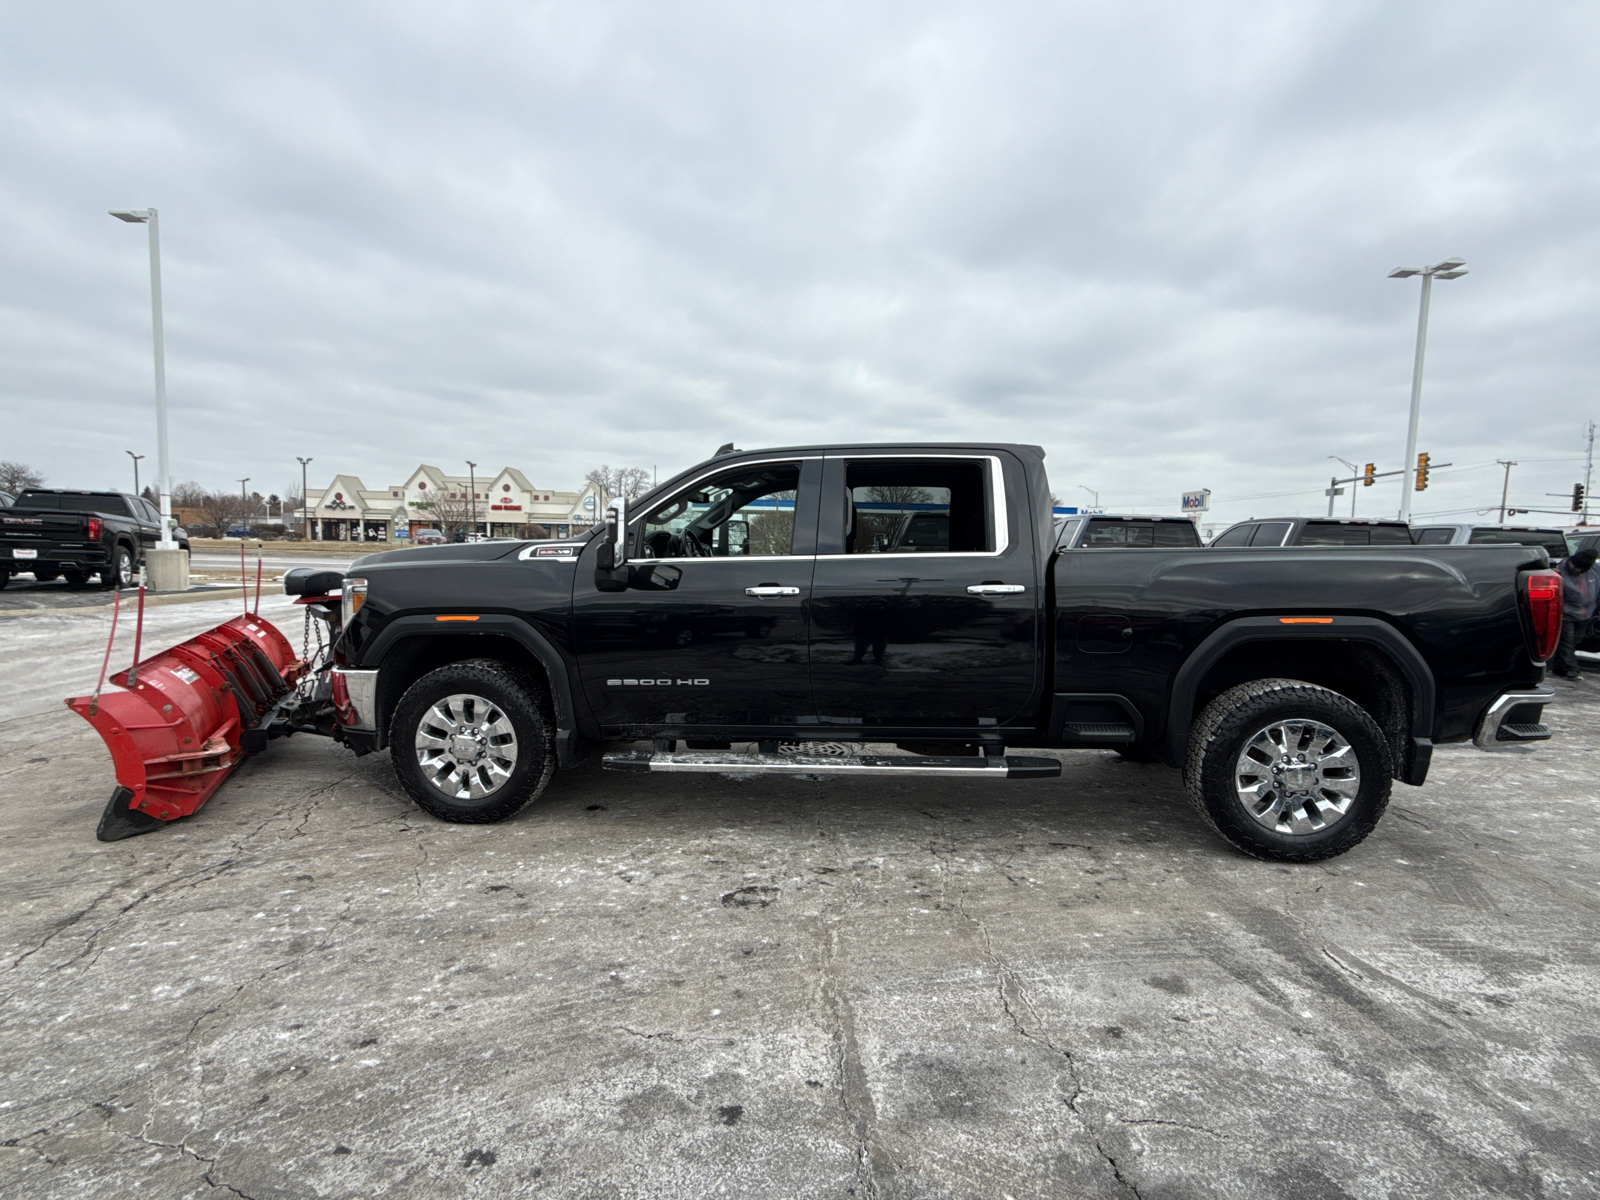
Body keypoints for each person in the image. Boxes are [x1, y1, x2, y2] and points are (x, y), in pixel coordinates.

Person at [1552, 546, 1600, 680]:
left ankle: (1559, 666)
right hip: (1566, 614)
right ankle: (1571, 669)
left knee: (1575, 640)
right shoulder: (1559, 570)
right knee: (1567, 640)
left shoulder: (1595, 570)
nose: (1576, 570)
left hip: (1586, 613)